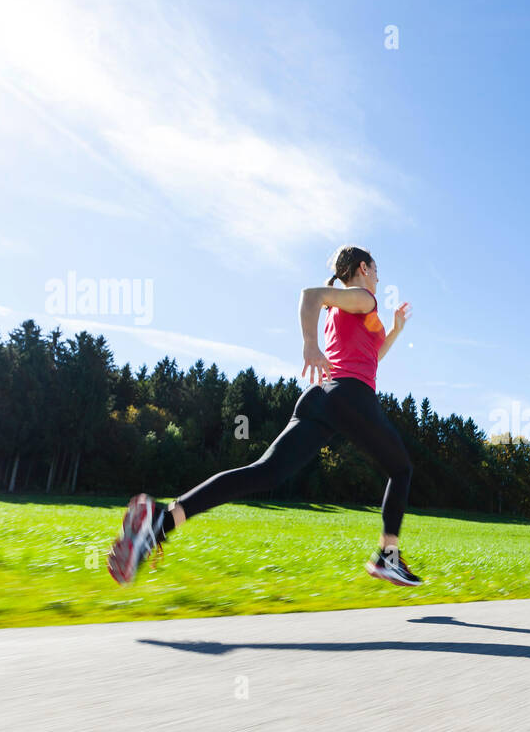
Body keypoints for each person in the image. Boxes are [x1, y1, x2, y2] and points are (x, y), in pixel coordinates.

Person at [107, 245, 422, 587]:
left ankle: (161, 521)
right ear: (363, 268)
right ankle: (387, 556)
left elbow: (372, 356)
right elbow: (310, 294)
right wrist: (309, 344)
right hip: (349, 395)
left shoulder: (347, 308)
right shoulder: (362, 296)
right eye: (376, 271)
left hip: (321, 399)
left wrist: (396, 329)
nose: (378, 278)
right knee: (401, 468)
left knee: (265, 473)